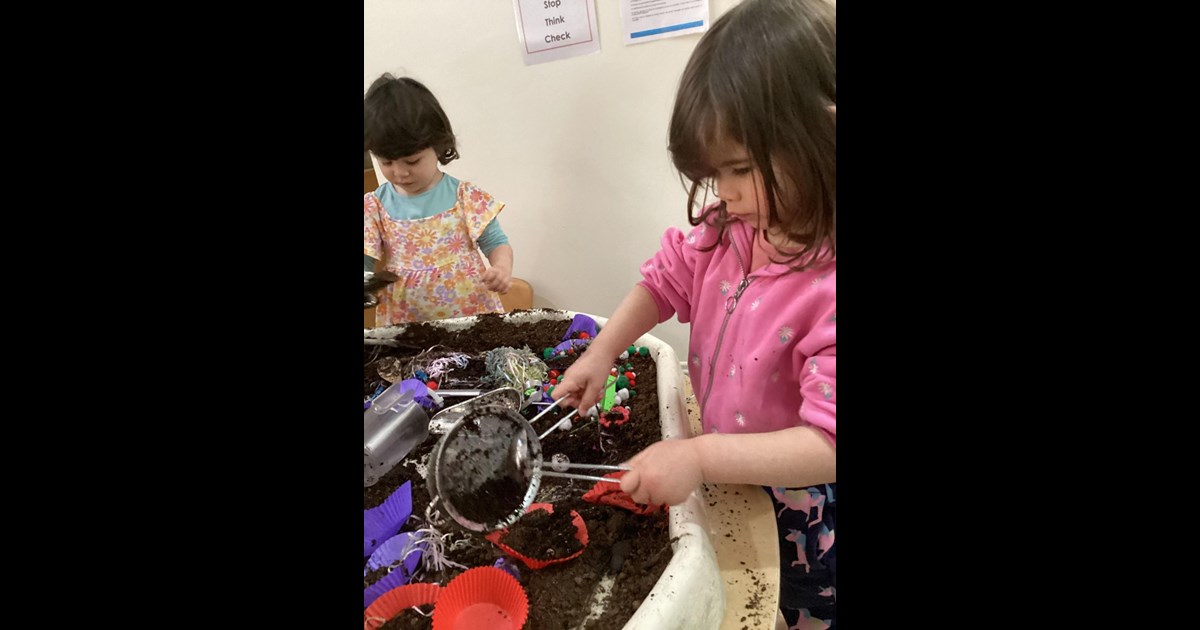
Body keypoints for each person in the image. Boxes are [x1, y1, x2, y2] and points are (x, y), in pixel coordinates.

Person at [550, 0, 836, 626]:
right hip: (722, 467)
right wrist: (602, 352)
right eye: (713, 174)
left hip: (801, 507)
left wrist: (700, 457)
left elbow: (829, 441)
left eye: (739, 170)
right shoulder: (728, 228)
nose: (724, 193)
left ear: (822, 134)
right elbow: (661, 284)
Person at [364, 74, 514, 325]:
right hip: (408, 321)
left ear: (439, 144)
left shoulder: (465, 197)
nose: (400, 173)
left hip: (471, 313)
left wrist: (501, 268)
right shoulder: (374, 207)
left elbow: (497, 242)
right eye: (386, 162)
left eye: (412, 161)